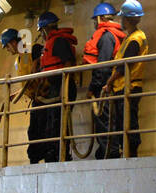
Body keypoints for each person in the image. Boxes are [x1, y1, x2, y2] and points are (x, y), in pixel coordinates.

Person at [30, 11, 78, 163]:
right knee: (50, 122)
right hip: (53, 88)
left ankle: (59, 154)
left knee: (57, 123)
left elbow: (68, 64)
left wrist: (63, 86)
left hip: (61, 87)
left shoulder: (59, 42)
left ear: (44, 29)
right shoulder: (52, 43)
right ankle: (51, 154)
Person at [102, 1, 149, 157]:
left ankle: (131, 155)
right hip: (124, 87)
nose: (121, 21)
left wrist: (109, 82)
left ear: (127, 19)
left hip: (128, 87)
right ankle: (127, 153)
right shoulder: (132, 37)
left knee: (128, 123)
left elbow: (124, 67)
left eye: (122, 18)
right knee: (124, 123)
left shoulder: (134, 39)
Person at [84, 4, 126, 160]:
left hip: (105, 87)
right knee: (110, 122)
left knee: (106, 123)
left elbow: (102, 66)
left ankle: (110, 154)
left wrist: (93, 88)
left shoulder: (106, 37)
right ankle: (108, 152)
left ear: (99, 18)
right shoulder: (115, 35)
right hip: (111, 85)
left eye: (95, 19)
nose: (95, 23)